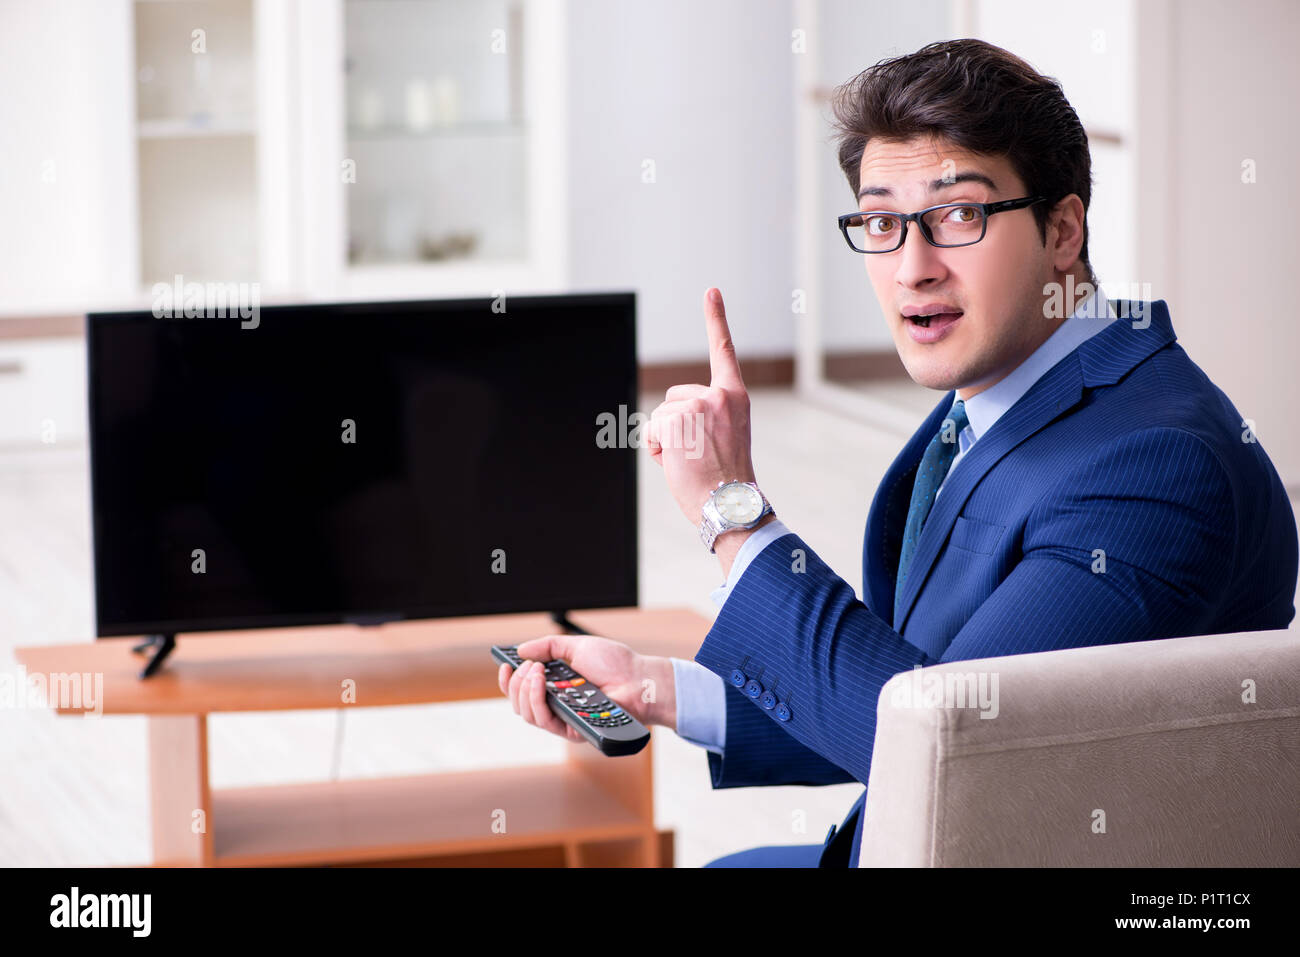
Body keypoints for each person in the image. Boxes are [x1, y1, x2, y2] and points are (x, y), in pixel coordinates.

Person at [497, 38, 1299, 867]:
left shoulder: (1157, 469)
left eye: (959, 215)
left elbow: (961, 745)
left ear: (1063, 229)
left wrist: (731, 511)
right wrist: (656, 688)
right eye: (882, 221)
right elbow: (914, 689)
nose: (913, 269)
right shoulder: (1001, 391)